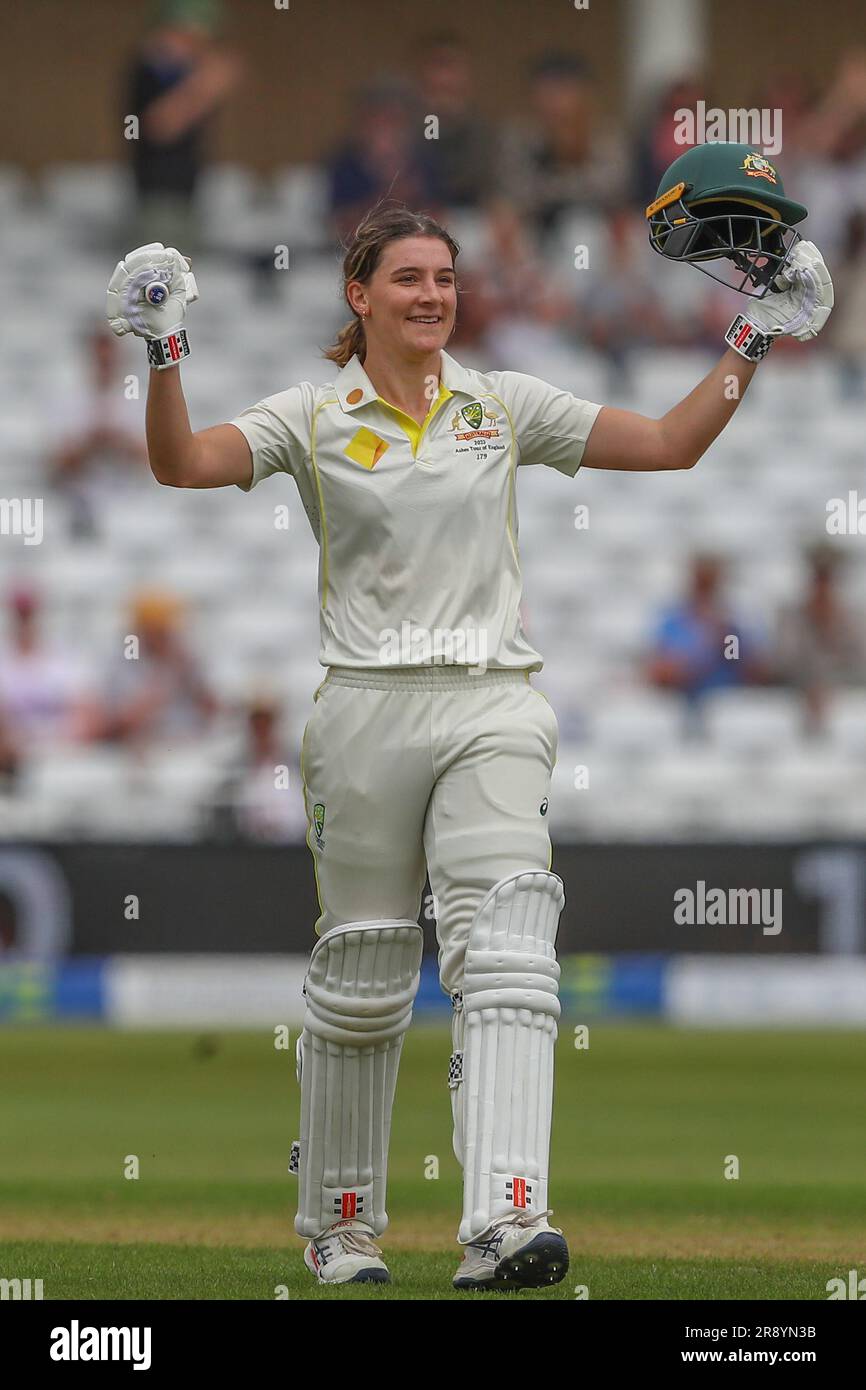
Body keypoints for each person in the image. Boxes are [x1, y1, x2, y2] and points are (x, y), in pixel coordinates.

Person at [105, 163, 833, 1290]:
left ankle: (504, 1220)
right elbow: (180, 463)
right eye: (407, 278)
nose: (431, 295)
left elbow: (669, 444)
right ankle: (342, 1225)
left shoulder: (502, 405)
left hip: (492, 697)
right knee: (361, 976)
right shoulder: (311, 416)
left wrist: (752, 337)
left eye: (444, 277)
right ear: (359, 294)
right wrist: (163, 352)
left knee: (505, 949)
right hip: (361, 712)